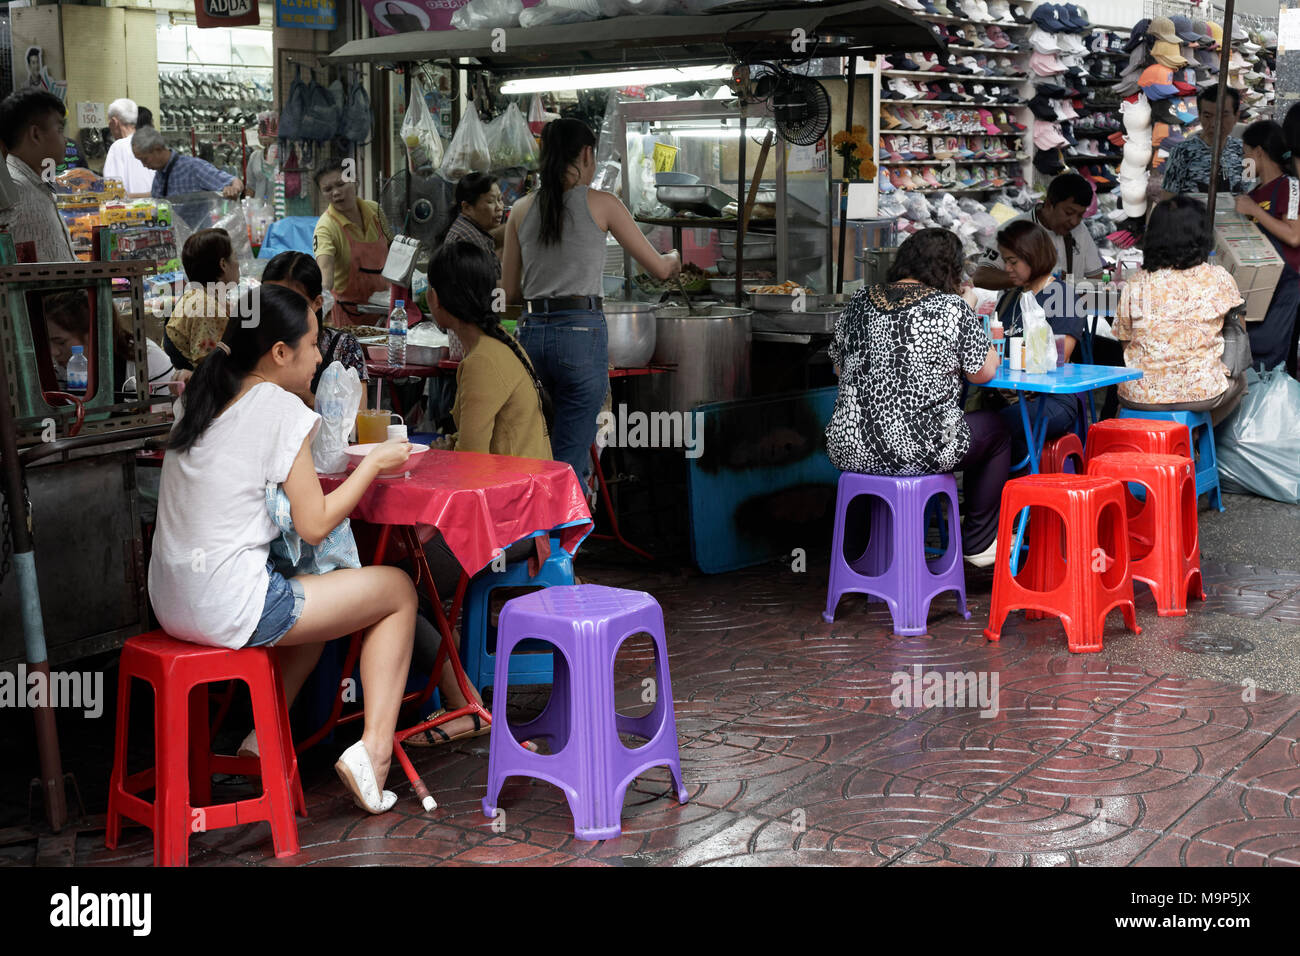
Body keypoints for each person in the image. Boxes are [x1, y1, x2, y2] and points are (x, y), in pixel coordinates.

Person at [147, 284, 418, 814]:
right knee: (398, 591)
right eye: (313, 345)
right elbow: (314, 525)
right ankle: (375, 755)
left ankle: (255, 742)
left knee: (315, 601)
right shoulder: (278, 407)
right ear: (279, 353)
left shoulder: (201, 393)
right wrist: (373, 464)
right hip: (227, 607)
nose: (319, 357)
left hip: (172, 603)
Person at [502, 118, 681, 486]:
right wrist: (675, 257)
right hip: (580, 337)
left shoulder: (520, 209)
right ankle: (561, 542)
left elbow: (510, 292)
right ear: (586, 154)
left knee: (535, 449)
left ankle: (536, 539)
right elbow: (661, 270)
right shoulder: (603, 204)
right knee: (569, 457)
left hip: (530, 336)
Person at [825, 228, 1007, 568]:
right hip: (919, 448)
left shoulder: (859, 301)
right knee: (996, 429)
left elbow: (838, 369)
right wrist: (968, 311)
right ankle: (979, 542)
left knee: (873, 448)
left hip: (848, 446)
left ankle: (860, 557)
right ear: (949, 270)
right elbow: (984, 373)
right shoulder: (953, 308)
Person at [1112, 196, 1246, 425]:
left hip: (1140, 396)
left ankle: (1167, 438)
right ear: (1202, 236)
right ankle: (1193, 434)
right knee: (1242, 382)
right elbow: (1240, 333)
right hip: (1203, 394)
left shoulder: (1135, 283)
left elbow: (1126, 342)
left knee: (1124, 401)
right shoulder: (1219, 278)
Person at [430, 241, 551, 459]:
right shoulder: (498, 341)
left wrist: (441, 455)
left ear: (436, 298)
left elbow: (470, 461)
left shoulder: (482, 361)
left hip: (515, 488)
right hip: (523, 482)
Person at [986, 220, 1085, 464]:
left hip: (1048, 401)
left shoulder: (1062, 298)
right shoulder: (1009, 298)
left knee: (992, 429)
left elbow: (1058, 359)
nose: (1007, 269)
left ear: (1034, 257)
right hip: (1006, 398)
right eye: (1005, 261)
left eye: (1013, 262)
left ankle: (1001, 500)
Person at [1233, 120, 1300, 375]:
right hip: (1257, 290)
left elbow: (1294, 236)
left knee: (1277, 362)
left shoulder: (1289, 186)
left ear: (1259, 152)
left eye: (1245, 153)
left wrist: (1254, 212)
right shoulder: (1253, 193)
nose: (1243, 162)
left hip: (1286, 291)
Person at [260, 250, 369, 405]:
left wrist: (305, 395)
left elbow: (356, 421)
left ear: (317, 303)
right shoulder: (253, 345)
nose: (279, 311)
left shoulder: (342, 347)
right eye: (271, 300)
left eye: (292, 303)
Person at [973, 173, 1104, 288]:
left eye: (1080, 215)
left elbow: (1096, 277)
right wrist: (1033, 278)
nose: (1074, 221)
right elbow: (981, 277)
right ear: (1048, 205)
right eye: (1069, 212)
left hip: (1066, 312)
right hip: (1024, 314)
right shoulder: (1015, 230)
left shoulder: (1080, 230)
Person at [43, 290, 180, 397]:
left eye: (60, 342)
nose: (53, 352)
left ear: (95, 335)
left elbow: (169, 416)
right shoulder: (59, 369)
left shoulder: (147, 359)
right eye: (47, 341)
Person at [312, 159, 395, 326]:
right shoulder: (325, 227)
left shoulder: (375, 210)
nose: (335, 193)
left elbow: (393, 250)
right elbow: (325, 276)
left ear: (355, 180)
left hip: (384, 313)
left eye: (340, 184)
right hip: (347, 318)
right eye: (328, 189)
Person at [0, 89, 75, 262]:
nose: (65, 140)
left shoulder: (36, 184)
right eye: (60, 129)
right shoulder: (10, 186)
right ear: (35, 134)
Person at [133, 125, 243, 228]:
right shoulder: (160, 176)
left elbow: (235, 181)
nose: (144, 165)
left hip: (198, 242)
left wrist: (233, 189)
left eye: (145, 159)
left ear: (157, 149)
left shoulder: (192, 167)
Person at [165, 228, 240, 369]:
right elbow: (208, 365)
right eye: (235, 256)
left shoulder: (195, 296)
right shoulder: (206, 308)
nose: (238, 263)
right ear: (223, 264)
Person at [1159, 86, 1245, 198]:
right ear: (1199, 116)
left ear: (1236, 116)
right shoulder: (1181, 153)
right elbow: (1168, 198)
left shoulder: (1245, 152)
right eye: (1208, 116)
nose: (1215, 124)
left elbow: (1251, 193)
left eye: (1224, 115)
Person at [437, 173, 505, 275]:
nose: (499, 207)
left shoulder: (470, 229)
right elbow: (487, 286)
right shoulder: (468, 240)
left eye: (500, 199)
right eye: (491, 201)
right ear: (467, 207)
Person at [101, 98, 155, 197]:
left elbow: (112, 191)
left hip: (133, 209)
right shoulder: (151, 143)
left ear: (114, 122)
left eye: (109, 124)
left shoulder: (118, 146)